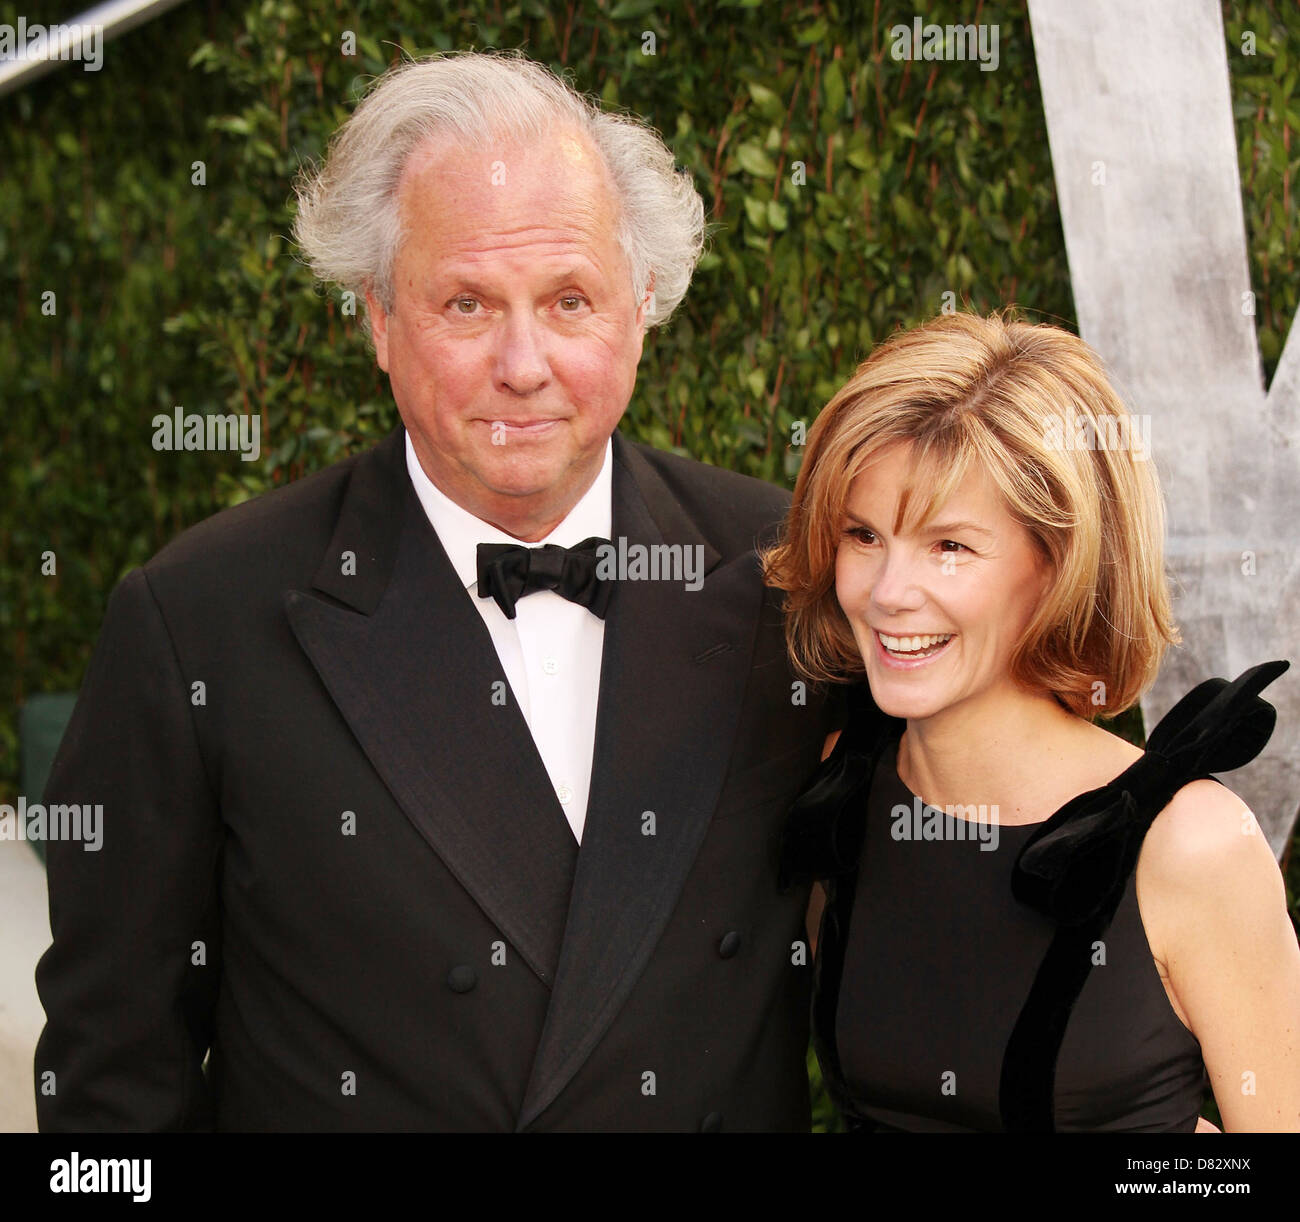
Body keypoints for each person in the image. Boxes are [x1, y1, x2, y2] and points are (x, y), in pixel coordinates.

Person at [33, 51, 839, 1132]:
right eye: (466, 303)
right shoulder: (198, 624)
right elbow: (113, 1076)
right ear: (376, 317)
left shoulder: (794, 574)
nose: (523, 363)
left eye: (569, 300)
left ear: (642, 307)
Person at [763, 310, 1300, 1132]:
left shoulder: (1191, 845)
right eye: (864, 535)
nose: (888, 593)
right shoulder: (844, 788)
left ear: (1056, 567)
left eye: (949, 546)